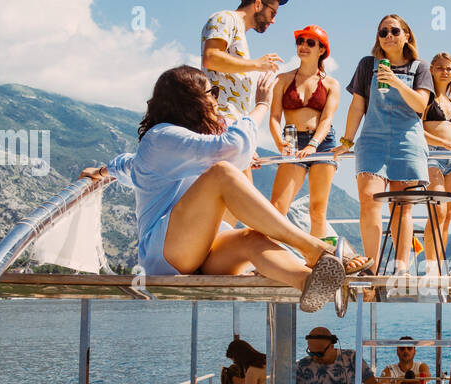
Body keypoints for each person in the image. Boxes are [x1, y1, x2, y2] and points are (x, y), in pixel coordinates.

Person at [82, 66, 347, 313]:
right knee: (222, 173)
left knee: (250, 238)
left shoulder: (179, 145)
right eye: (213, 92)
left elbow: (131, 165)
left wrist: (104, 171)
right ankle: (313, 248)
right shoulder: (161, 137)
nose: (216, 100)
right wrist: (262, 104)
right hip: (165, 254)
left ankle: (312, 280)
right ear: (192, 100)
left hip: (197, 252)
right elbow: (231, 148)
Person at [334, 15, 435, 271]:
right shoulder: (368, 65)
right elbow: (357, 106)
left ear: (406, 35)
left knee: (401, 207)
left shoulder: (420, 68)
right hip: (372, 141)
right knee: (369, 199)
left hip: (407, 141)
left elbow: (420, 105)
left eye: (394, 30)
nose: (388, 35)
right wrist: (347, 140)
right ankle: (371, 266)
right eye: (383, 32)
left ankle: (401, 266)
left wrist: (396, 82)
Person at [267, 25, 371, 273]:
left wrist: (313, 145)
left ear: (322, 50)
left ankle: (316, 263)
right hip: (291, 143)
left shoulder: (331, 84)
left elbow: (326, 120)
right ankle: (270, 261)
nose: (303, 46)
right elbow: (273, 117)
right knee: (276, 208)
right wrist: (279, 142)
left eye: (310, 43)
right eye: (300, 41)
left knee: (317, 209)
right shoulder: (282, 80)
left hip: (322, 143)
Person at [201, 0, 287, 130]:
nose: (273, 20)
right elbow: (211, 57)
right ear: (258, 4)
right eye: (273, 13)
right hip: (221, 119)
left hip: (232, 121)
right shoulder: (226, 18)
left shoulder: (238, 29)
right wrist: (257, 64)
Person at [422, 52, 451, 256]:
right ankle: (431, 265)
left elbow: (450, 131)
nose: (445, 72)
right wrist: (444, 143)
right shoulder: (425, 98)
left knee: (448, 215)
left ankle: (439, 266)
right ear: (431, 69)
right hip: (432, 155)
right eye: (440, 67)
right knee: (437, 212)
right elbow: (416, 130)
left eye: (449, 68)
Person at [295, 326, 390, 384]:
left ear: (331, 346)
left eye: (319, 354)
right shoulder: (302, 366)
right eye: (311, 353)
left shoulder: (351, 358)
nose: (315, 358)